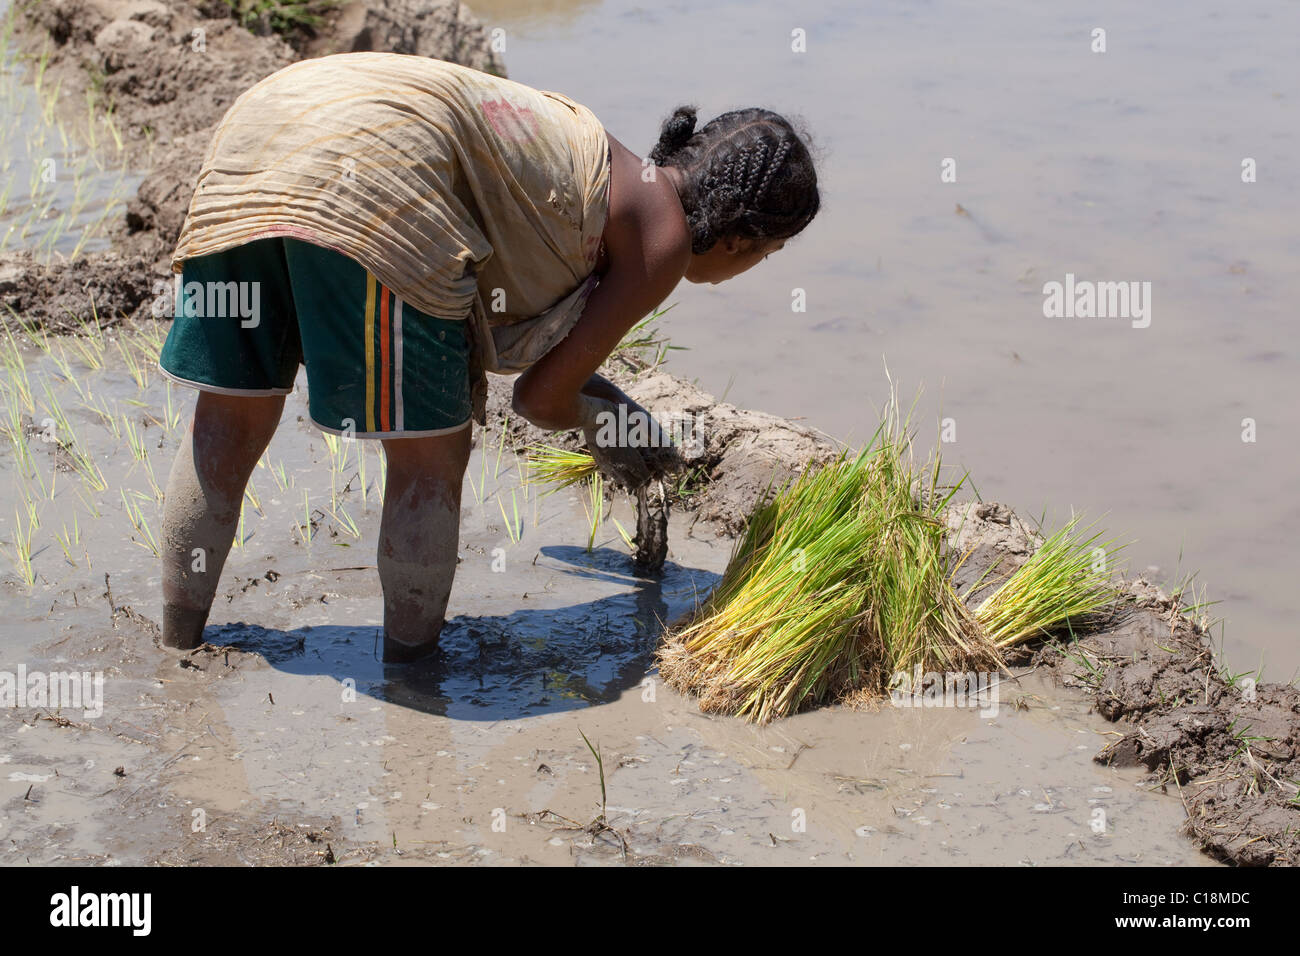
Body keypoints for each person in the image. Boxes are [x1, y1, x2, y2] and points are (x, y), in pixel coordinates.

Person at [156, 52, 820, 662]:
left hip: (264, 128)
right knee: (431, 455)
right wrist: (608, 429)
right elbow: (538, 400)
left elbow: (547, 363)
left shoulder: (598, 161)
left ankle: (177, 643)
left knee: (228, 420)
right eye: (771, 253)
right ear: (742, 238)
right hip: (377, 172)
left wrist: (611, 405)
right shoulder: (663, 239)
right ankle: (413, 678)